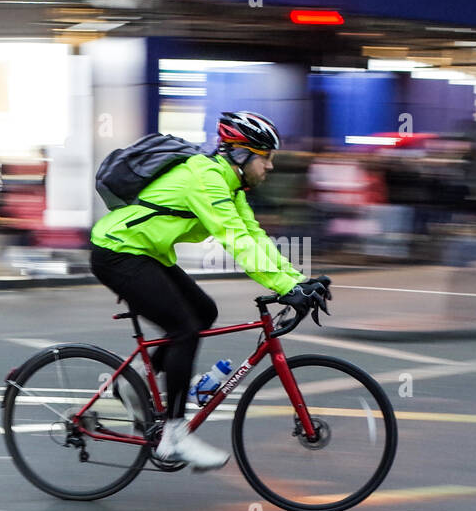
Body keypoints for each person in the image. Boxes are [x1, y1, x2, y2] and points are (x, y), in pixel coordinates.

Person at [89, 111, 331, 471]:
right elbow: (235, 241)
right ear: (242, 154)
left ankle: (134, 382)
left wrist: (296, 281)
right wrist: (284, 287)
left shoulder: (230, 185)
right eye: (266, 157)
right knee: (184, 329)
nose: (270, 166)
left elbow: (253, 237)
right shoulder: (206, 177)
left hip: (145, 252)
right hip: (118, 252)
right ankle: (173, 435)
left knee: (204, 312)